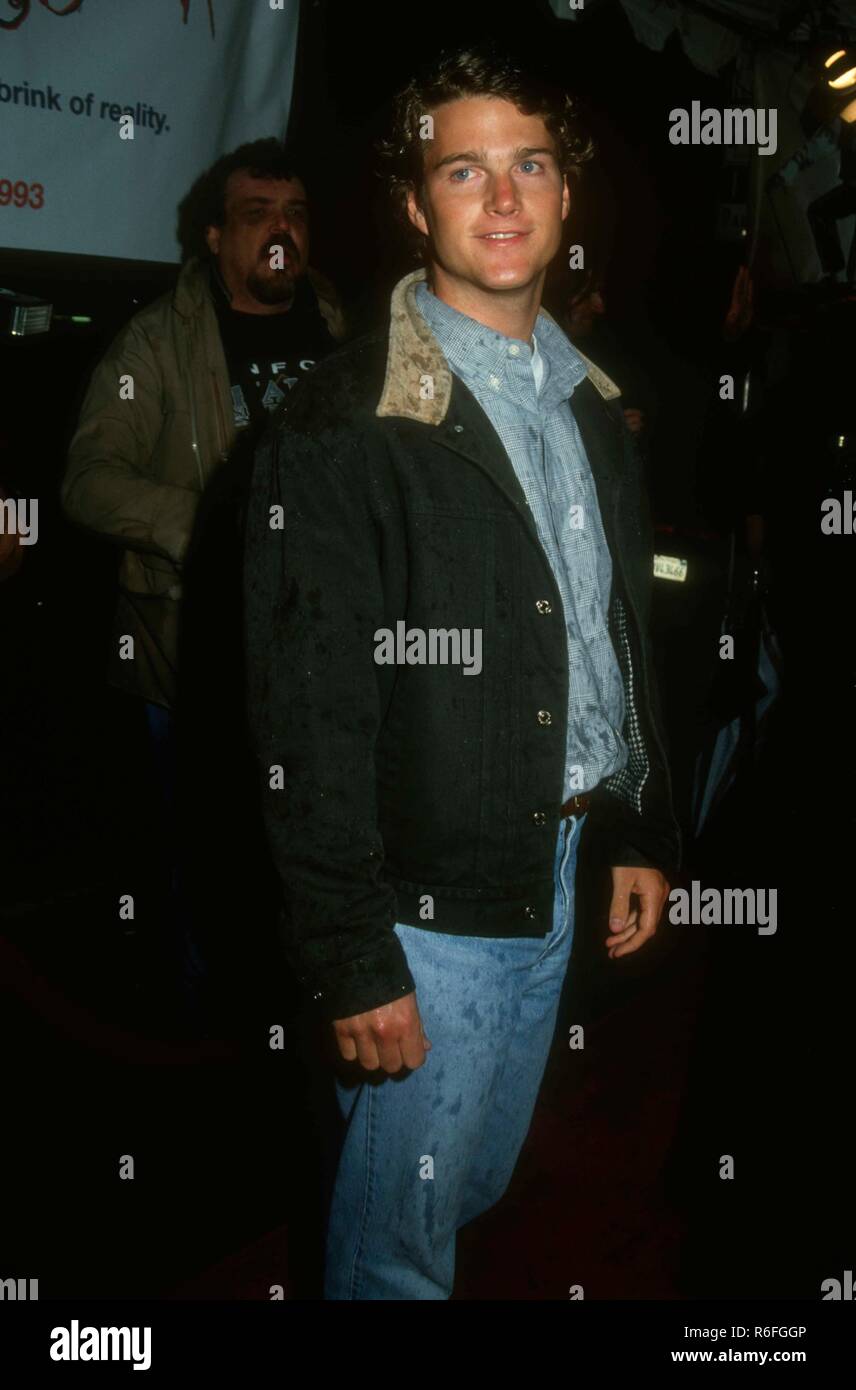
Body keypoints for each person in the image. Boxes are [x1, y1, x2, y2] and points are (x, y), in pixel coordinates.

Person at [244, 46, 681, 1300]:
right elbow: (306, 719)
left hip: (553, 863)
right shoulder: (344, 424)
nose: (501, 198)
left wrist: (633, 820)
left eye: (529, 165)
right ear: (412, 201)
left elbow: (609, 633)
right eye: (462, 170)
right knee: (395, 1252)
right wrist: (350, 955)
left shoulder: (591, 404)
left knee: (468, 1185)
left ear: (565, 192)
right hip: (420, 905)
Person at [61, 137, 346, 1010]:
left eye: (295, 214)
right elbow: (88, 481)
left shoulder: (339, 323)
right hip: (195, 652)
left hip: (321, 647)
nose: (281, 231)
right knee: (204, 851)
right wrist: (214, 528)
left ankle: (288, 1010)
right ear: (216, 236)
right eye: (257, 214)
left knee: (309, 847)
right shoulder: (158, 340)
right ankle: (201, 1024)